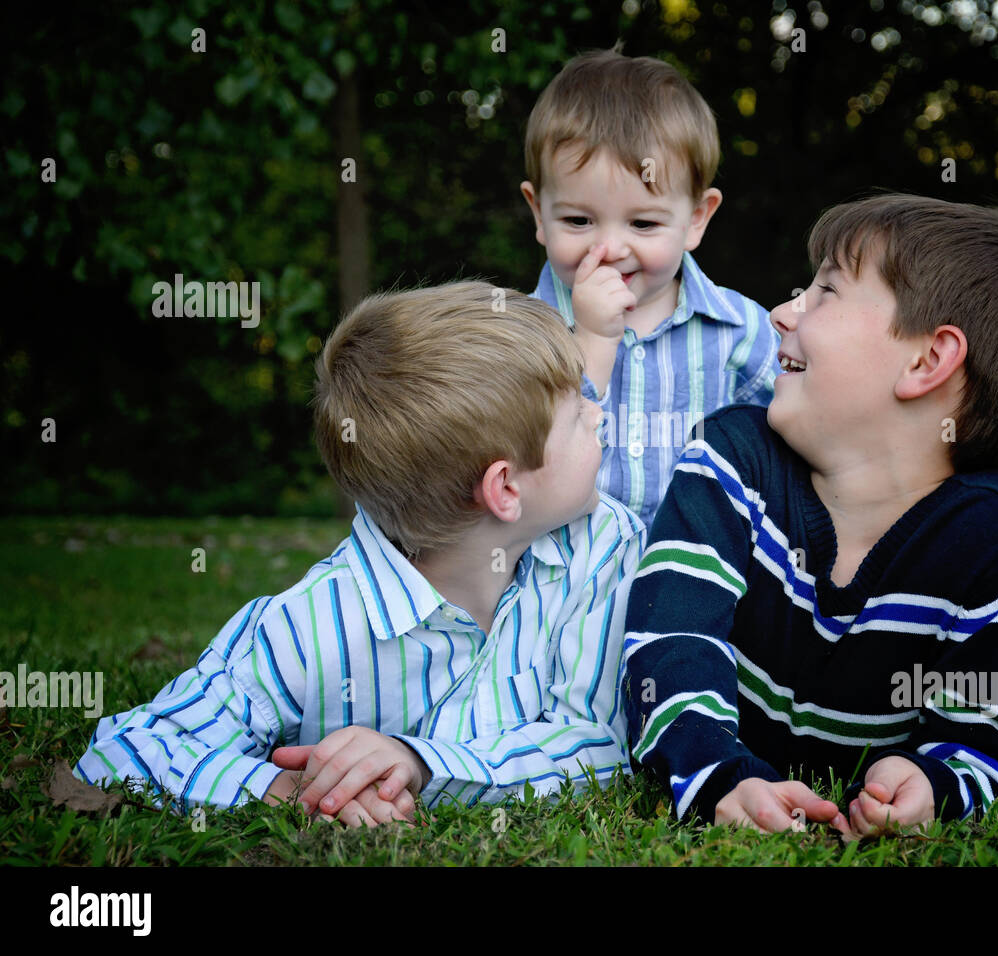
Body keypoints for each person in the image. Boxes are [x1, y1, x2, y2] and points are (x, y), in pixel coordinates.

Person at [77, 282, 645, 826]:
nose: (598, 413)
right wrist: (288, 791)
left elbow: (597, 740)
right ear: (504, 489)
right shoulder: (309, 628)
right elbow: (126, 749)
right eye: (576, 414)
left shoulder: (601, 546)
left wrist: (421, 763)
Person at [623, 194, 998, 836]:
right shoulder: (731, 461)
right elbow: (672, 641)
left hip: (944, 677)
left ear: (927, 360)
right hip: (746, 738)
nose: (782, 314)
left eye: (825, 293)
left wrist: (933, 786)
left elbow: (997, 765)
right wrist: (719, 776)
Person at [521, 48, 782, 529]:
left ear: (696, 219)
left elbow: (808, 432)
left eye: (642, 223)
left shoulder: (742, 331)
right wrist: (593, 338)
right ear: (539, 214)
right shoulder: (518, 332)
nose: (610, 247)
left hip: (702, 582)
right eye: (578, 220)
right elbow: (520, 459)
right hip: (564, 589)